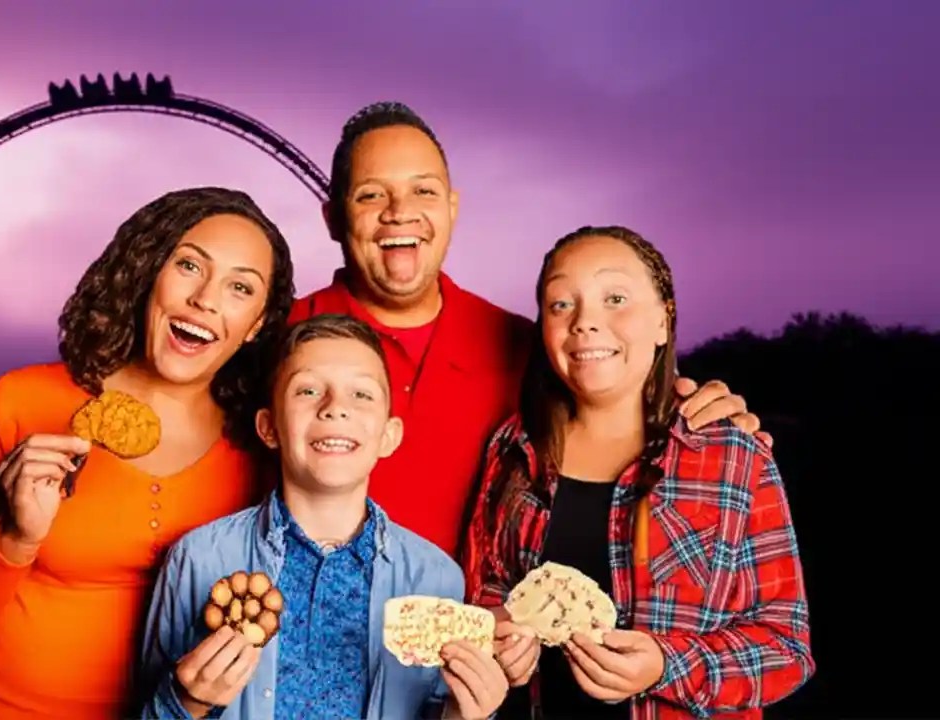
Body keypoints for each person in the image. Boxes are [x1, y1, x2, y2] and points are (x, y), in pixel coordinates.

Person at [289, 102, 768, 558]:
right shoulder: (280, 341)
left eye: (424, 191)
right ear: (333, 218)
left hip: (482, 641)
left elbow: (624, 407)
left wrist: (704, 417)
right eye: (371, 194)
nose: (400, 211)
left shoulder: (527, 346)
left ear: (452, 208)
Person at [0, 186, 296, 720]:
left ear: (256, 325)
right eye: (187, 265)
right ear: (148, 272)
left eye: (240, 287)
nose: (205, 298)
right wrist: (15, 539)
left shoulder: (260, 449)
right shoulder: (24, 401)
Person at [463, 226, 814, 719]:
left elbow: (786, 647)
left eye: (616, 298)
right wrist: (499, 633)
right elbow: (492, 584)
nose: (585, 322)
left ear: (663, 322)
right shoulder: (512, 450)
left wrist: (667, 665)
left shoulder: (734, 456)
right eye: (561, 304)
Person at [138, 313, 509, 720]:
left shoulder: (435, 578)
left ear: (389, 435)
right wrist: (187, 701)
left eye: (362, 395)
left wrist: (467, 713)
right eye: (308, 390)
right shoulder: (199, 559)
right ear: (268, 427)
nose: (335, 408)